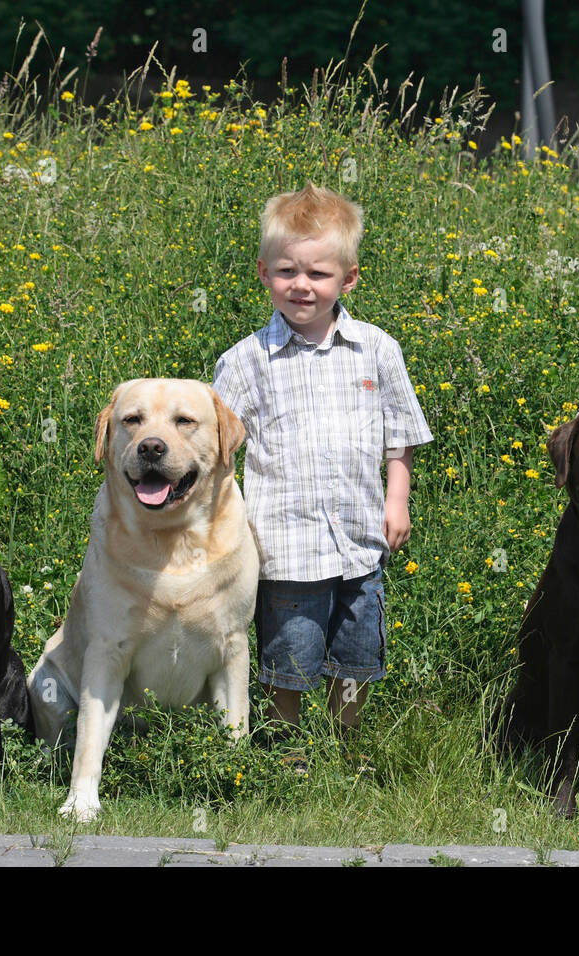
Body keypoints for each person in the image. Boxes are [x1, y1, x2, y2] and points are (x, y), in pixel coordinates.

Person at [213, 183, 432, 771]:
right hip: (283, 546)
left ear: (348, 278)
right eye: (287, 270)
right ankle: (288, 750)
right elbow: (216, 449)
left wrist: (398, 501)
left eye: (317, 273)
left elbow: (399, 435)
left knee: (356, 654)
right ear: (264, 273)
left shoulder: (376, 350)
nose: (302, 285)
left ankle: (347, 743)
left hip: (362, 541)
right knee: (291, 652)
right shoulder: (245, 361)